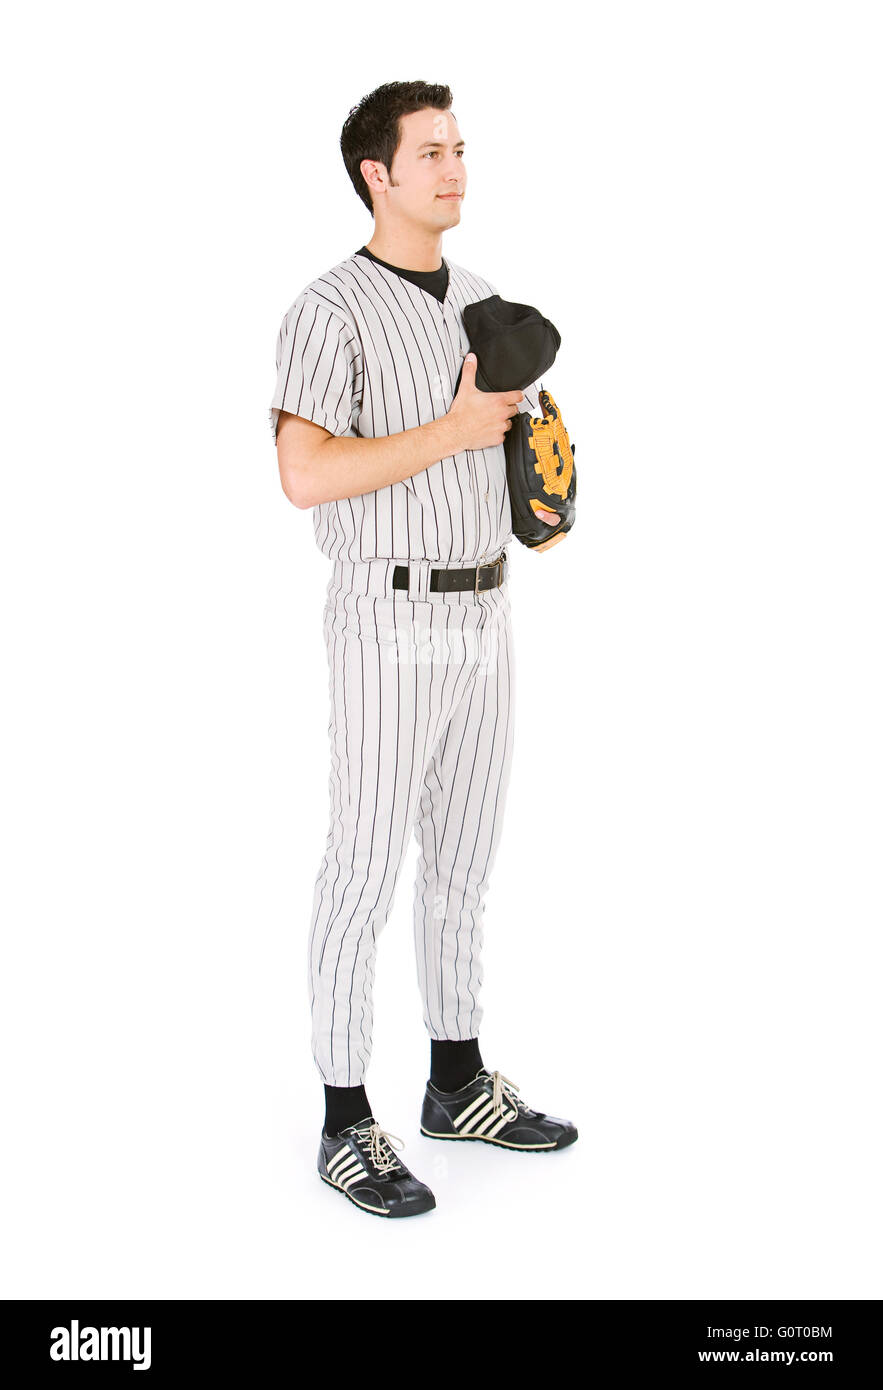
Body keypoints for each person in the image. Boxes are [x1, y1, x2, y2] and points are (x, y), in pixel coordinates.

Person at [269, 80, 577, 1219]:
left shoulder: (487, 299)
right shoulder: (329, 309)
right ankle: (344, 1119)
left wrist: (539, 490)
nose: (453, 167)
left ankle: (456, 1083)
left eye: (460, 147)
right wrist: (450, 429)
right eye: (429, 152)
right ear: (376, 176)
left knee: (461, 864)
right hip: (387, 614)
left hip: (485, 609)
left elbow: (517, 459)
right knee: (364, 865)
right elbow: (303, 475)